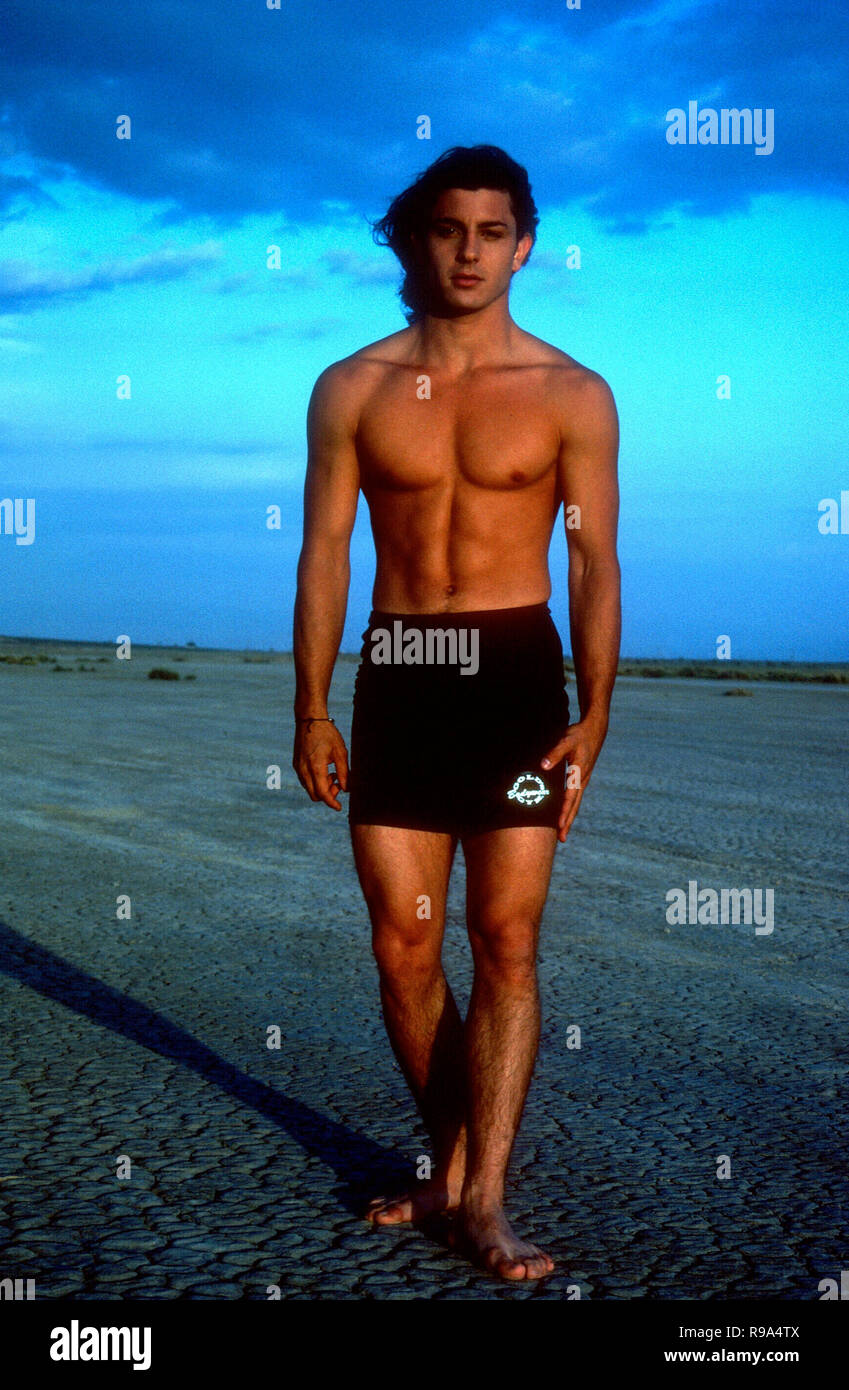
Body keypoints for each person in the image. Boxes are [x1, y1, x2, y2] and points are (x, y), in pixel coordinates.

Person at [292, 145, 620, 1281]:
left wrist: (595, 712)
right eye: (447, 229)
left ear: (524, 244)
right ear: (411, 239)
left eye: (492, 231)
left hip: (519, 677)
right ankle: (446, 1165)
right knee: (405, 946)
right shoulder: (351, 388)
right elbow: (325, 551)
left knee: (508, 939)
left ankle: (485, 1200)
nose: (469, 250)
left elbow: (595, 568)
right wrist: (311, 705)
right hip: (400, 672)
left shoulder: (574, 393)